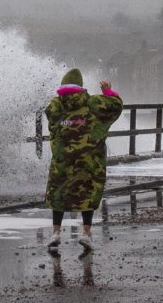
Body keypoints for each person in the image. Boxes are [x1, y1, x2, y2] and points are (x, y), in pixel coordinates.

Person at [44, 68, 123, 252]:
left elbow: (50, 116)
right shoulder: (92, 104)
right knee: (87, 194)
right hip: (89, 162)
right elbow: (115, 106)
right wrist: (108, 92)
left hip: (62, 161)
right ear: (80, 87)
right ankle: (86, 234)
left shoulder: (56, 107)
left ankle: (55, 233)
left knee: (59, 195)